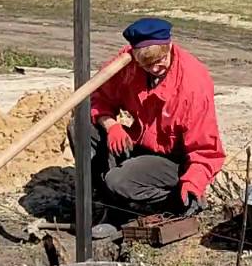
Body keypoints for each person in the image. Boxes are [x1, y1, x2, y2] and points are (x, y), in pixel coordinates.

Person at [71, 18, 225, 217]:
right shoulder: (127, 64)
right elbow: (97, 98)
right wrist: (111, 125)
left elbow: (206, 151)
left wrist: (192, 184)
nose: (154, 68)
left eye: (159, 60)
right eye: (146, 64)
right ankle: (110, 205)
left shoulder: (192, 85)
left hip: (175, 161)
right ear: (134, 56)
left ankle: (168, 205)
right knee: (80, 127)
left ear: (169, 46)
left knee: (119, 180)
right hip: (141, 143)